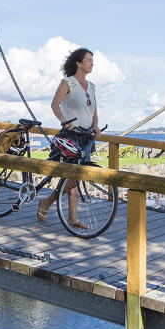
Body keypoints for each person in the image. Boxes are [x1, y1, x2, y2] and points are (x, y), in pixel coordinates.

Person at [38, 47, 99, 229]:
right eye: (89, 60)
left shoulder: (92, 87)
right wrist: (64, 121)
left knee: (76, 178)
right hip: (71, 135)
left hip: (87, 136)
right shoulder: (68, 83)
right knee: (73, 177)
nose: (92, 63)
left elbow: (94, 112)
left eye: (92, 60)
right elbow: (54, 104)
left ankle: (71, 217)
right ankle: (48, 203)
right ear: (78, 63)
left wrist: (96, 126)